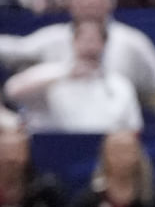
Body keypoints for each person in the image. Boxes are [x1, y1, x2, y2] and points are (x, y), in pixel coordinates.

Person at [0, 0, 155, 126]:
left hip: (112, 124)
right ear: (72, 6)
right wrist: (65, 73)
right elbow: (16, 50)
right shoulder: (53, 39)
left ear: (108, 5)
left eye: (94, 4)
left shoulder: (132, 42)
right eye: (84, 4)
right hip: (58, 123)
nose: (90, 47)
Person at [4, 15, 146, 134]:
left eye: (94, 40)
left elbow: (133, 126)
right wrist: (65, 75)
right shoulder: (53, 73)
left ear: (104, 44)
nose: (89, 46)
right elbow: (12, 91)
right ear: (74, 41)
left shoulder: (119, 84)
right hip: (58, 146)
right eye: (84, 39)